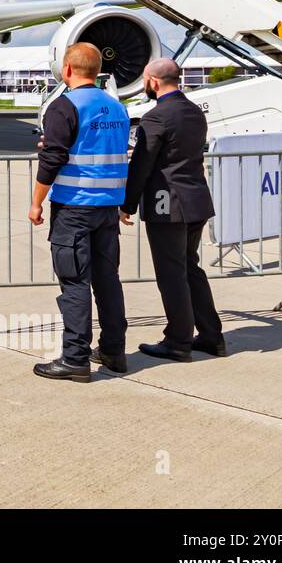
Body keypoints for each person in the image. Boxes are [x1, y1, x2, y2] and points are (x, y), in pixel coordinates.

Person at [28, 42, 131, 381]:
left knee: (74, 283)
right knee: (107, 281)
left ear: (68, 70)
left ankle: (75, 359)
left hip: (74, 207)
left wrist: (36, 201)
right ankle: (114, 351)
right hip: (108, 208)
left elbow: (53, 157)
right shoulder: (116, 107)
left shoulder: (65, 106)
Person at [121, 58, 222, 361]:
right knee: (191, 268)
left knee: (172, 273)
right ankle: (211, 336)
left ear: (152, 81)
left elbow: (142, 164)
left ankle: (178, 341)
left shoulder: (156, 117)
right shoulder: (195, 112)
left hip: (168, 204)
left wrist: (127, 203)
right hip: (196, 200)